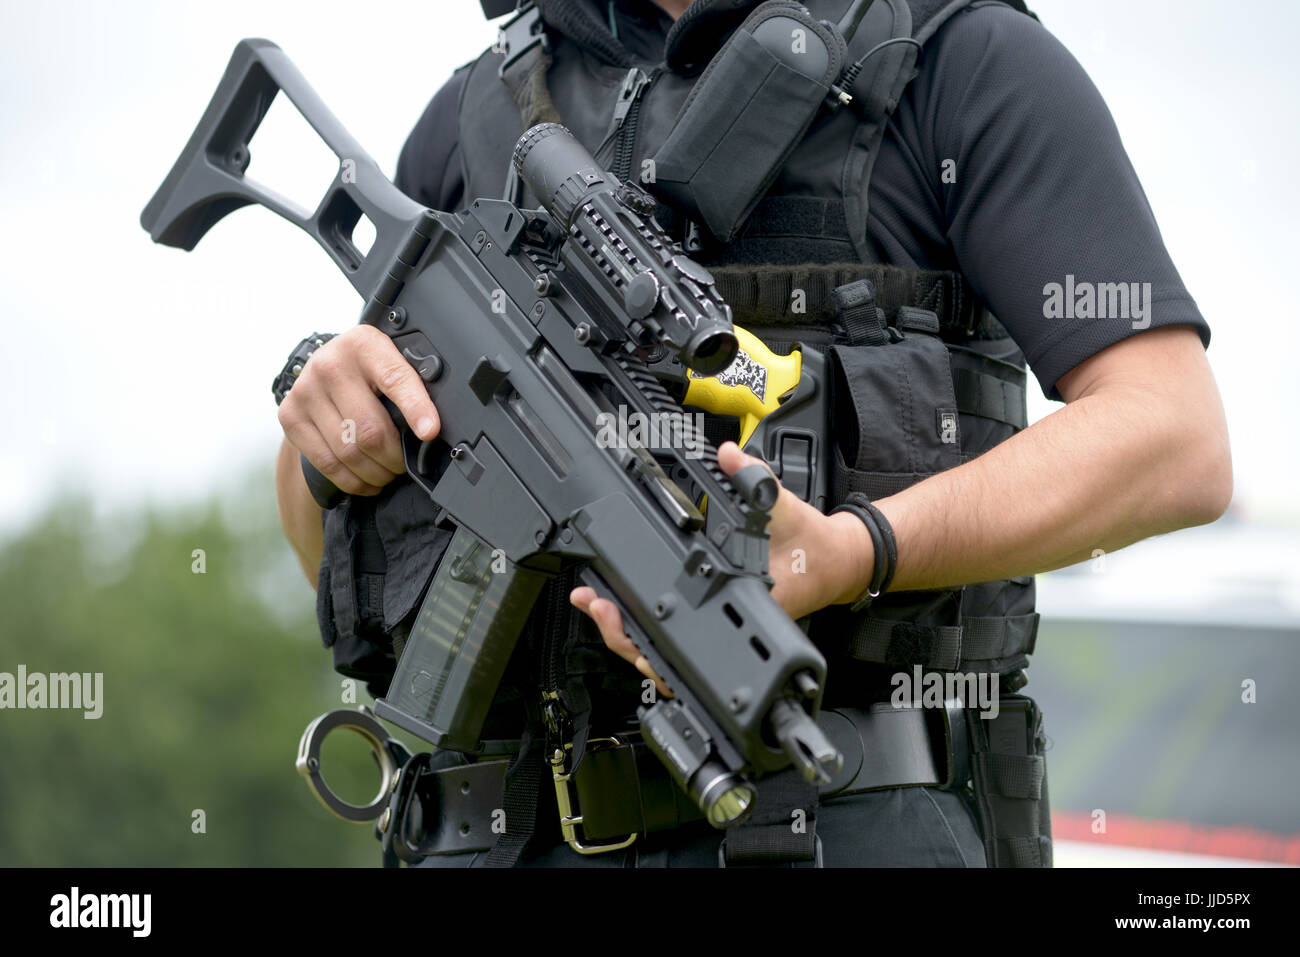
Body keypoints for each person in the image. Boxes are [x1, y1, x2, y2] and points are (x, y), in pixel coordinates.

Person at [272, 0, 1231, 867]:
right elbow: (327, 558)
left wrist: (858, 551)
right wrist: (328, 443)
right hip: (487, 832)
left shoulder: (956, 60)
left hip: (832, 820)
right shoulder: (477, 113)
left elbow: (1172, 437)